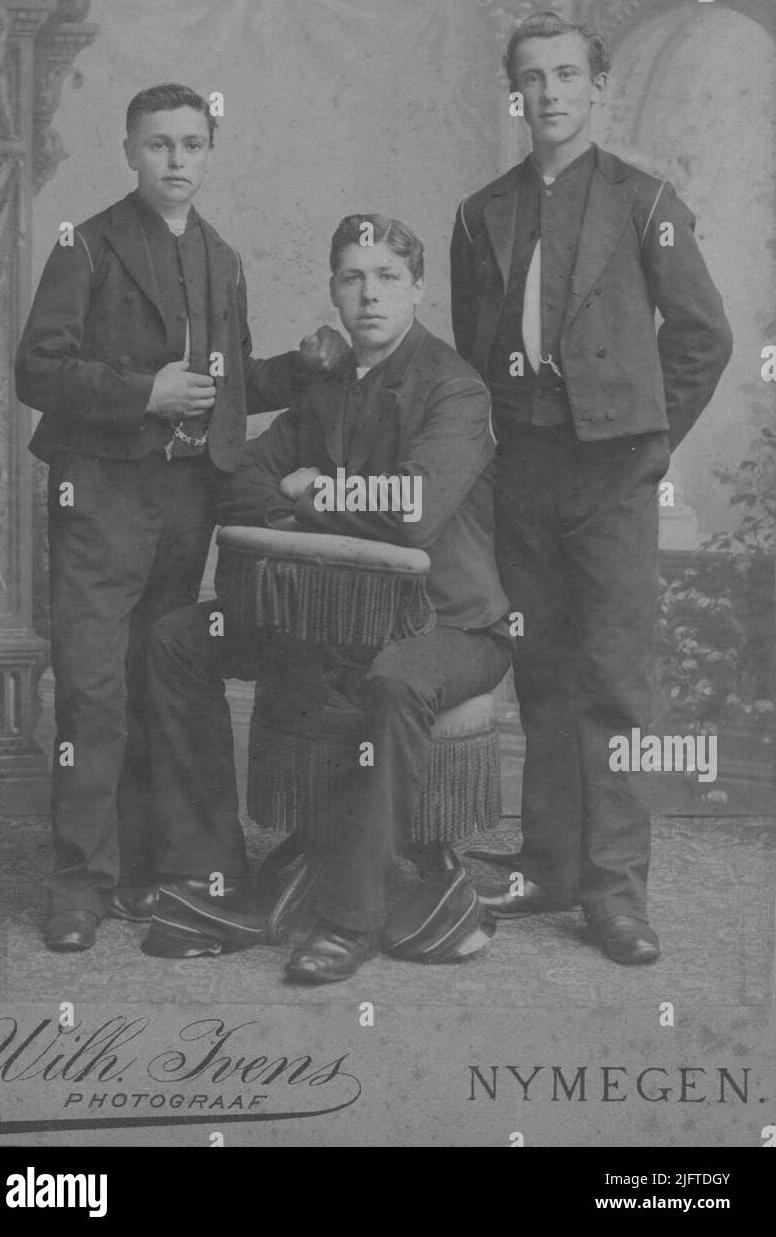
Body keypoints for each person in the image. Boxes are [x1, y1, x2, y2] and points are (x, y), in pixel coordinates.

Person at [15, 83, 346, 952]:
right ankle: (79, 886)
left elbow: (229, 391)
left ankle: (150, 870)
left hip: (185, 499)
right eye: (158, 144)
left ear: (209, 153)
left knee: (150, 682)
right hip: (99, 495)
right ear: (128, 149)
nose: (175, 160)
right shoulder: (83, 246)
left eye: (191, 144)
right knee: (91, 690)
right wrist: (143, 393)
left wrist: (303, 366)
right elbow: (35, 372)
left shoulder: (224, 258)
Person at [142, 213, 513, 983]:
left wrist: (309, 493)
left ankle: (353, 917)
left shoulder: (457, 388)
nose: (368, 294)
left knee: (397, 679)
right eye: (352, 277)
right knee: (178, 637)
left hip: (446, 622)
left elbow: (410, 507)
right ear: (334, 293)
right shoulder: (329, 389)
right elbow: (241, 473)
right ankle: (210, 867)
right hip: (323, 615)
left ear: (417, 289)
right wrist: (289, 501)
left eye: (385, 277)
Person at [450, 12, 732, 965]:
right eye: (532, 77)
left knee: (612, 682)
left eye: (567, 74)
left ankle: (614, 890)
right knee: (542, 672)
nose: (550, 93)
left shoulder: (646, 200)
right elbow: (476, 355)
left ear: (596, 87)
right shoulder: (479, 213)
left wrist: (646, 447)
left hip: (611, 474)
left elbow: (702, 338)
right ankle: (546, 863)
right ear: (516, 94)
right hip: (521, 470)